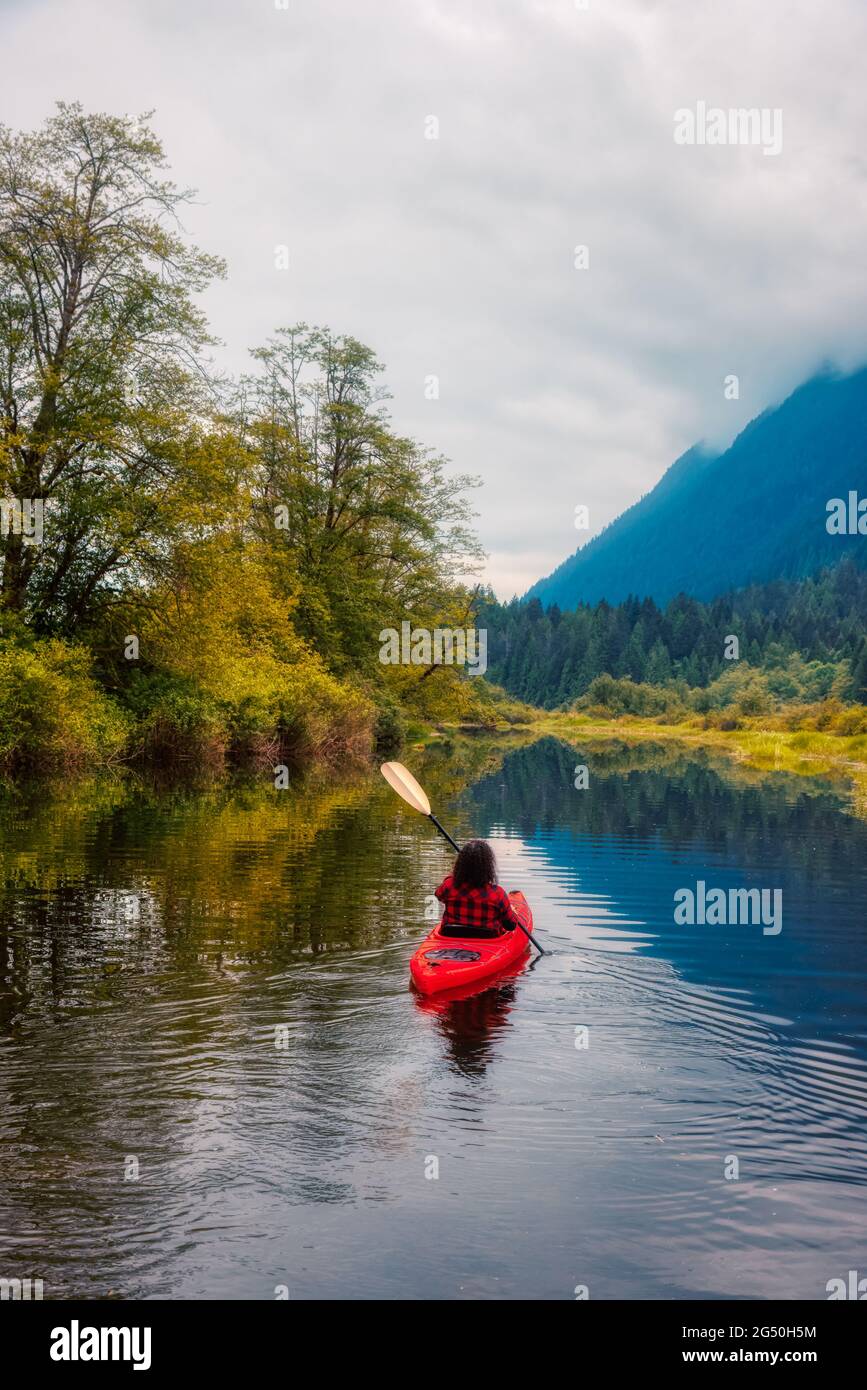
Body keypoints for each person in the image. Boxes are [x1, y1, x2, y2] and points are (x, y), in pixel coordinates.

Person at [434, 839, 524, 937]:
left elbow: (439, 896)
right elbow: (510, 926)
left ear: (460, 864)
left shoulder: (448, 885)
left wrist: (454, 875)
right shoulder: (498, 894)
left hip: (450, 935)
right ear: (488, 867)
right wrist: (512, 911)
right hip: (487, 940)